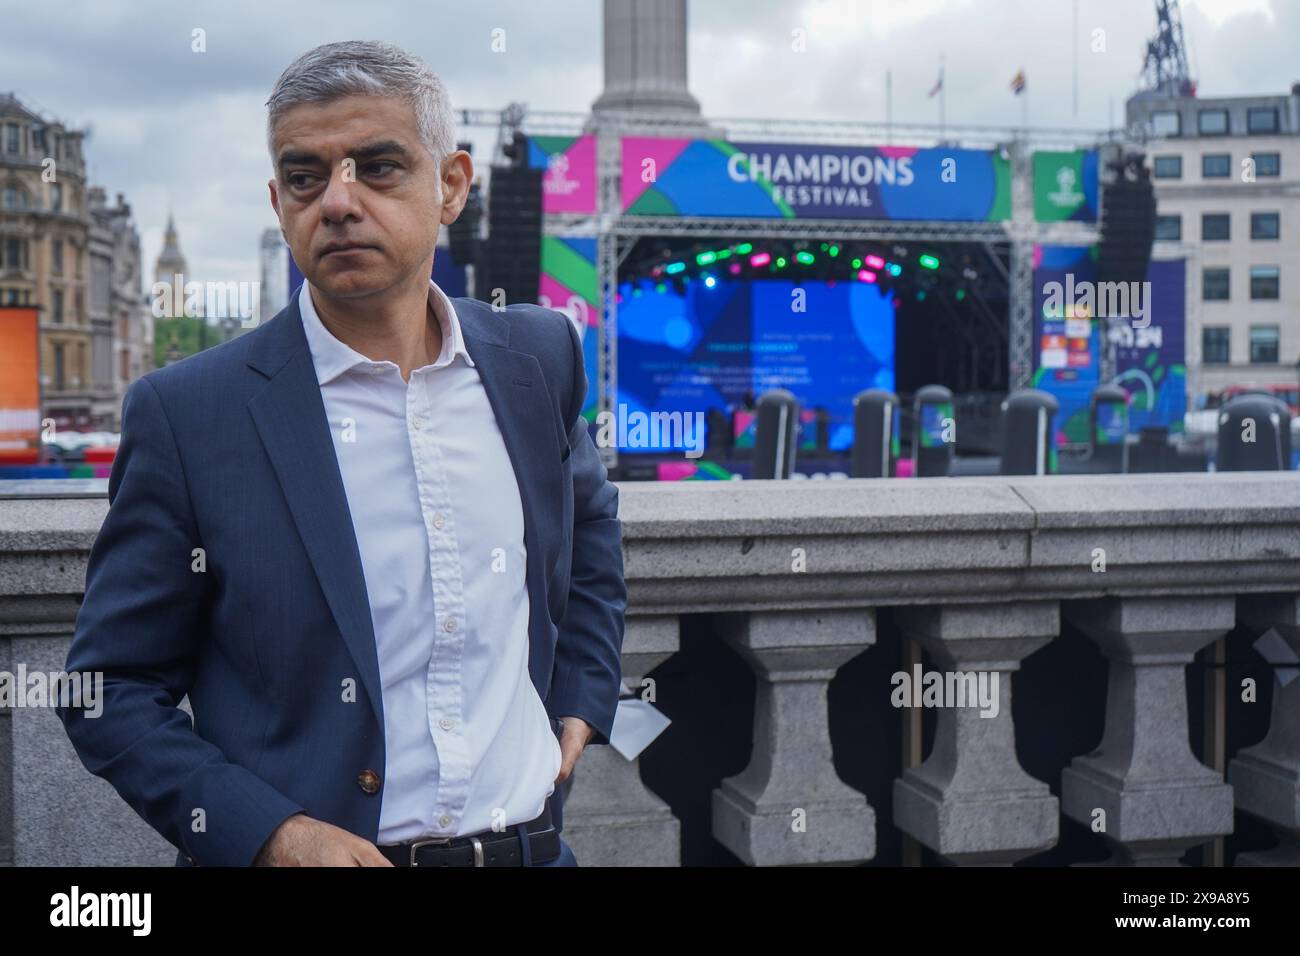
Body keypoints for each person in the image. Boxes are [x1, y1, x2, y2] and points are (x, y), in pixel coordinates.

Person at [57, 40, 626, 868]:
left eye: (379, 166)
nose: (338, 201)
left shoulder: (538, 358)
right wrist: (272, 835)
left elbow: (590, 530)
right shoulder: (191, 415)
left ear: (453, 186)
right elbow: (105, 691)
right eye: (304, 176)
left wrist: (583, 691)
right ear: (279, 201)